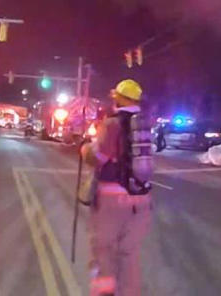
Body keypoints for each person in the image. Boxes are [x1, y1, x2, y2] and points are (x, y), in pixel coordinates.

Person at [82, 79, 152, 296]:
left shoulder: (112, 124)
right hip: (141, 199)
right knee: (129, 255)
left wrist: (85, 150)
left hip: (113, 200)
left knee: (104, 250)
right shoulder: (145, 123)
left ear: (121, 98)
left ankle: (103, 293)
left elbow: (99, 157)